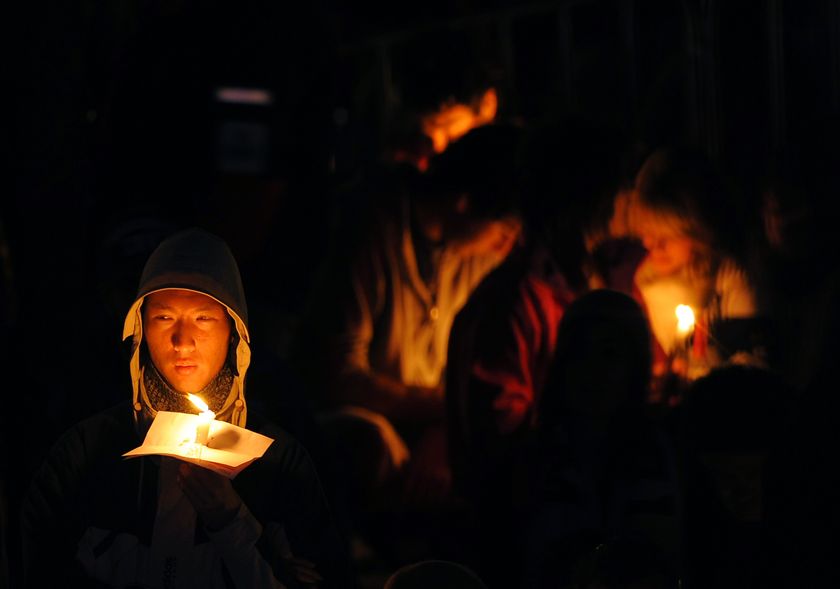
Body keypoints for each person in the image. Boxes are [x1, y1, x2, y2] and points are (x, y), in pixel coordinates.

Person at [20, 227, 350, 588]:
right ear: (141, 329)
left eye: (203, 318)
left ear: (233, 331)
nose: (182, 340)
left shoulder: (278, 463)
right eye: (164, 318)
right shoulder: (85, 454)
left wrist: (232, 522)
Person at [290, 123, 523, 565]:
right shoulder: (373, 227)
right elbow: (338, 375)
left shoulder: (472, 254)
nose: (503, 244)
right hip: (355, 420)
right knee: (368, 445)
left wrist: (442, 429)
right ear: (465, 202)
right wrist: (441, 408)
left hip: (426, 424)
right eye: (500, 230)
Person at [443, 117, 634, 584]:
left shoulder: (581, 284)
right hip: (525, 539)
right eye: (611, 208)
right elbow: (501, 446)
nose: (619, 225)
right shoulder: (513, 304)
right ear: (577, 212)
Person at [520, 290, 680, 589]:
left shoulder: (658, 458)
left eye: (609, 353)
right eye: (580, 353)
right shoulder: (533, 460)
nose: (592, 370)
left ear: (633, 366)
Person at [627, 147, 768, 403]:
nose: (650, 243)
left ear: (698, 228)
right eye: (647, 231)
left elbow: (753, 368)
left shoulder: (729, 278)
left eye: (665, 236)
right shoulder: (641, 283)